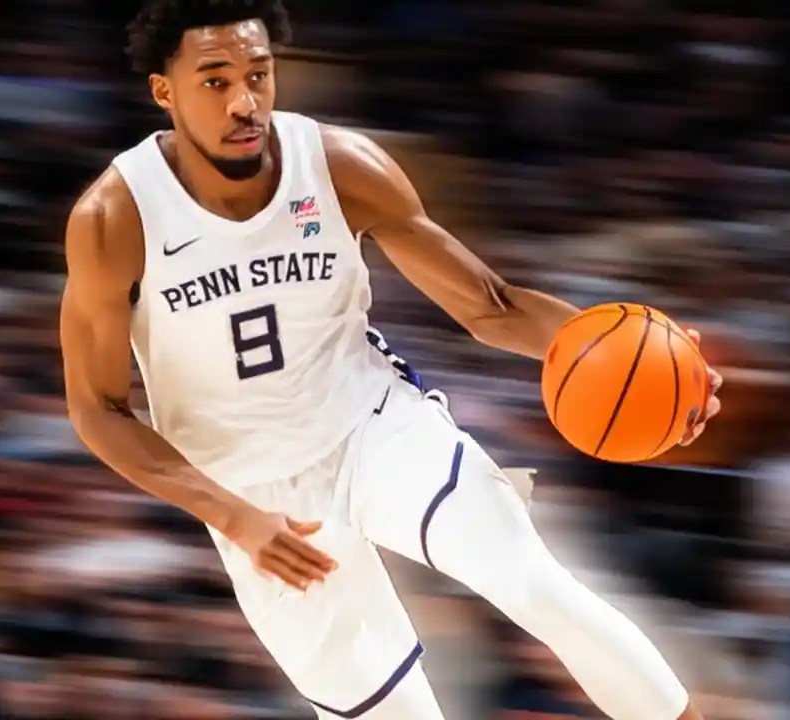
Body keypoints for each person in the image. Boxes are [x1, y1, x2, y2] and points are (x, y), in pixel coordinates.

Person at [59, 1, 722, 718]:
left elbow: (488, 304)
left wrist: (646, 366)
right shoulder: (113, 218)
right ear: (165, 91)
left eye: (259, 74)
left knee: (530, 579)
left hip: (370, 425)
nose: (246, 101)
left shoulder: (340, 166)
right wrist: (235, 516)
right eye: (216, 81)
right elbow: (98, 410)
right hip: (249, 489)